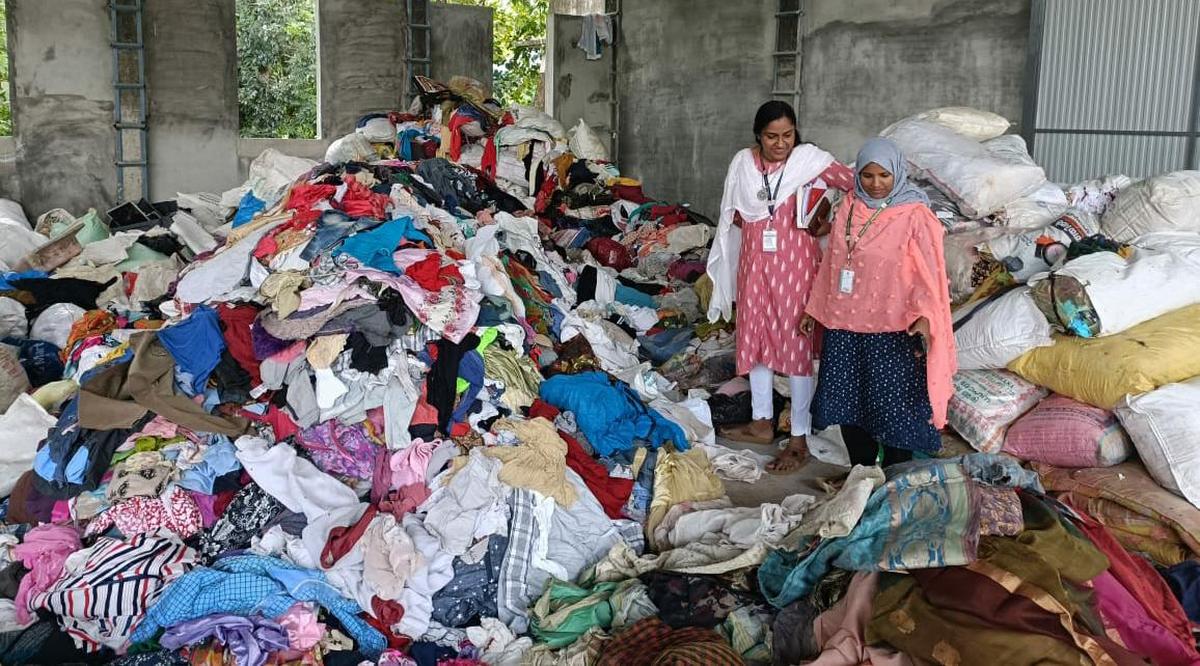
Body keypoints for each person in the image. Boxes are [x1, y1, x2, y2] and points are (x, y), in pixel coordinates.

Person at [705, 100, 854, 472]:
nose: (780, 143)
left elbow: (856, 187)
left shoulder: (810, 162)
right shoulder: (743, 164)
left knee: (796, 347)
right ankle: (761, 423)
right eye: (772, 136)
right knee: (755, 339)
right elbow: (732, 214)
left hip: (798, 267)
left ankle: (799, 436)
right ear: (758, 134)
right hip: (754, 266)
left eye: (787, 135)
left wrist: (832, 222)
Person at [801, 137, 955, 467]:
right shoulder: (849, 206)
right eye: (868, 175)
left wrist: (927, 316)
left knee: (893, 409)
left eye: (884, 176)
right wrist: (814, 309)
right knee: (848, 403)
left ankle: (895, 477)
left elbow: (930, 272)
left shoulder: (916, 215)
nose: (875, 184)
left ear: (897, 174)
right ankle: (862, 474)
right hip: (844, 326)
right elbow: (832, 264)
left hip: (893, 328)